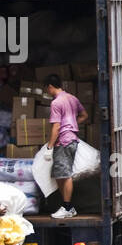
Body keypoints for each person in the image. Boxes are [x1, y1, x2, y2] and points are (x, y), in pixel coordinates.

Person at [44, 74, 89, 220]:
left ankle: (67, 207)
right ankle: (67, 206)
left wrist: (49, 146)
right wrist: (73, 125)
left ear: (50, 87)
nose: (47, 92)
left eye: (47, 89)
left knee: (65, 174)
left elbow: (56, 127)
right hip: (72, 140)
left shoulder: (56, 103)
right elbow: (84, 115)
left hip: (63, 142)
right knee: (59, 174)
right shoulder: (72, 98)